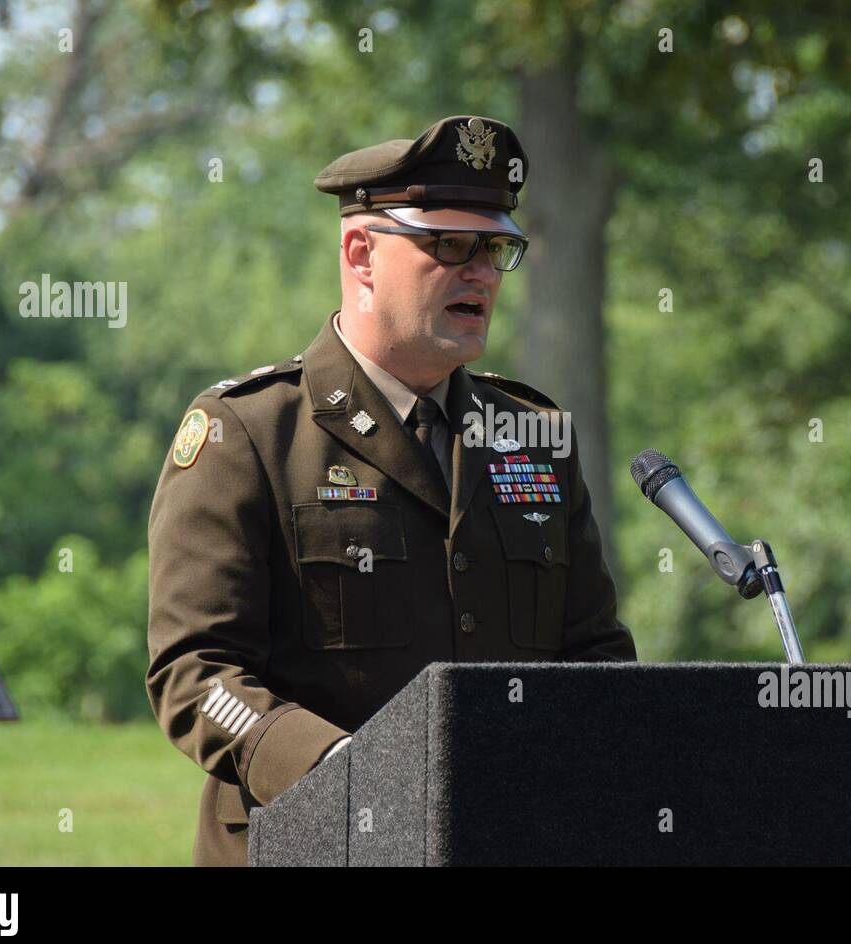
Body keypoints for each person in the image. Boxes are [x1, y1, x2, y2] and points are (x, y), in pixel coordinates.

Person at [146, 115, 636, 866]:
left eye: (496, 247)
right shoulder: (246, 433)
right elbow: (194, 674)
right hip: (314, 844)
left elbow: (595, 655)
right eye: (449, 244)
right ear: (360, 253)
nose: (480, 270)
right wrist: (337, 774)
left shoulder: (532, 434)